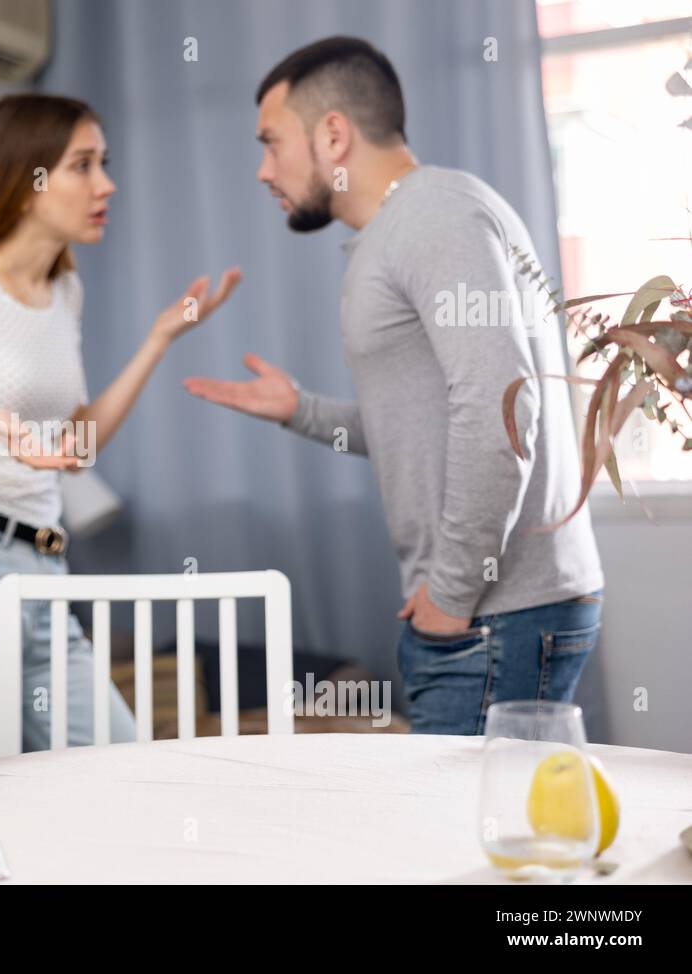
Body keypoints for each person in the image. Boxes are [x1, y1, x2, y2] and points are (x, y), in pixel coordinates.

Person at [185, 36, 604, 735]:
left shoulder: (432, 217)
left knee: (463, 837)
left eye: (271, 142)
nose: (263, 170)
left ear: (333, 134)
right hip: (497, 610)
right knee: (497, 832)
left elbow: (502, 404)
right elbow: (431, 424)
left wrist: (451, 594)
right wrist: (303, 412)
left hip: (496, 613)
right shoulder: (420, 219)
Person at [0, 93, 241, 761]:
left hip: (46, 569)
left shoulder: (63, 292)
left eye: (104, 163)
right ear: (26, 178)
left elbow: (75, 448)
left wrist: (159, 339)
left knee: (120, 769)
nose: (107, 184)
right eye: (83, 165)